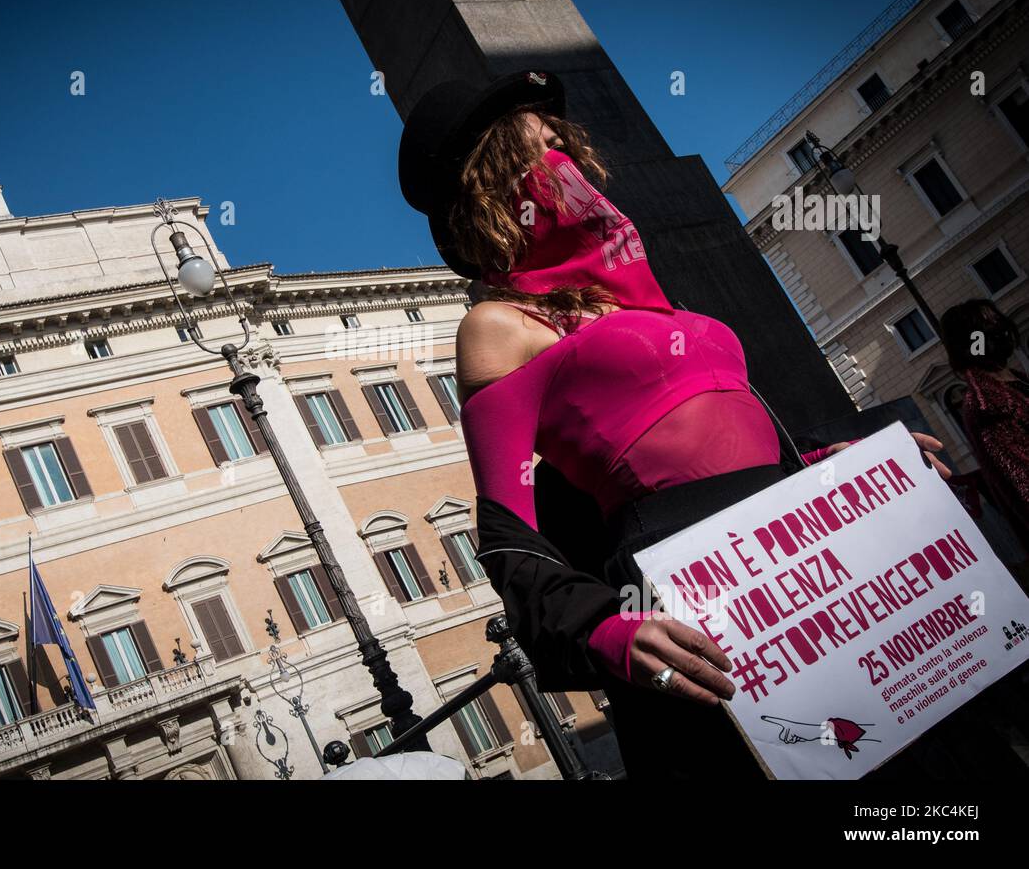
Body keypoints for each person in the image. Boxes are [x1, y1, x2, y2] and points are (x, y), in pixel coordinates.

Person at [397, 70, 956, 779]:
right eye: (540, 152)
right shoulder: (497, 325)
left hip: (803, 570)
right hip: (688, 594)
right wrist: (603, 626)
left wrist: (841, 473)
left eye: (565, 146)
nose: (568, 166)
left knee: (911, 780)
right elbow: (510, 536)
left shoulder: (643, 302)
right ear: (494, 189)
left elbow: (727, 443)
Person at [940, 299, 1029, 550]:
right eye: (987, 328)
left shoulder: (1015, 383)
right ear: (972, 344)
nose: (1000, 331)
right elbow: (1021, 479)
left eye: (998, 323)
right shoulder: (987, 405)